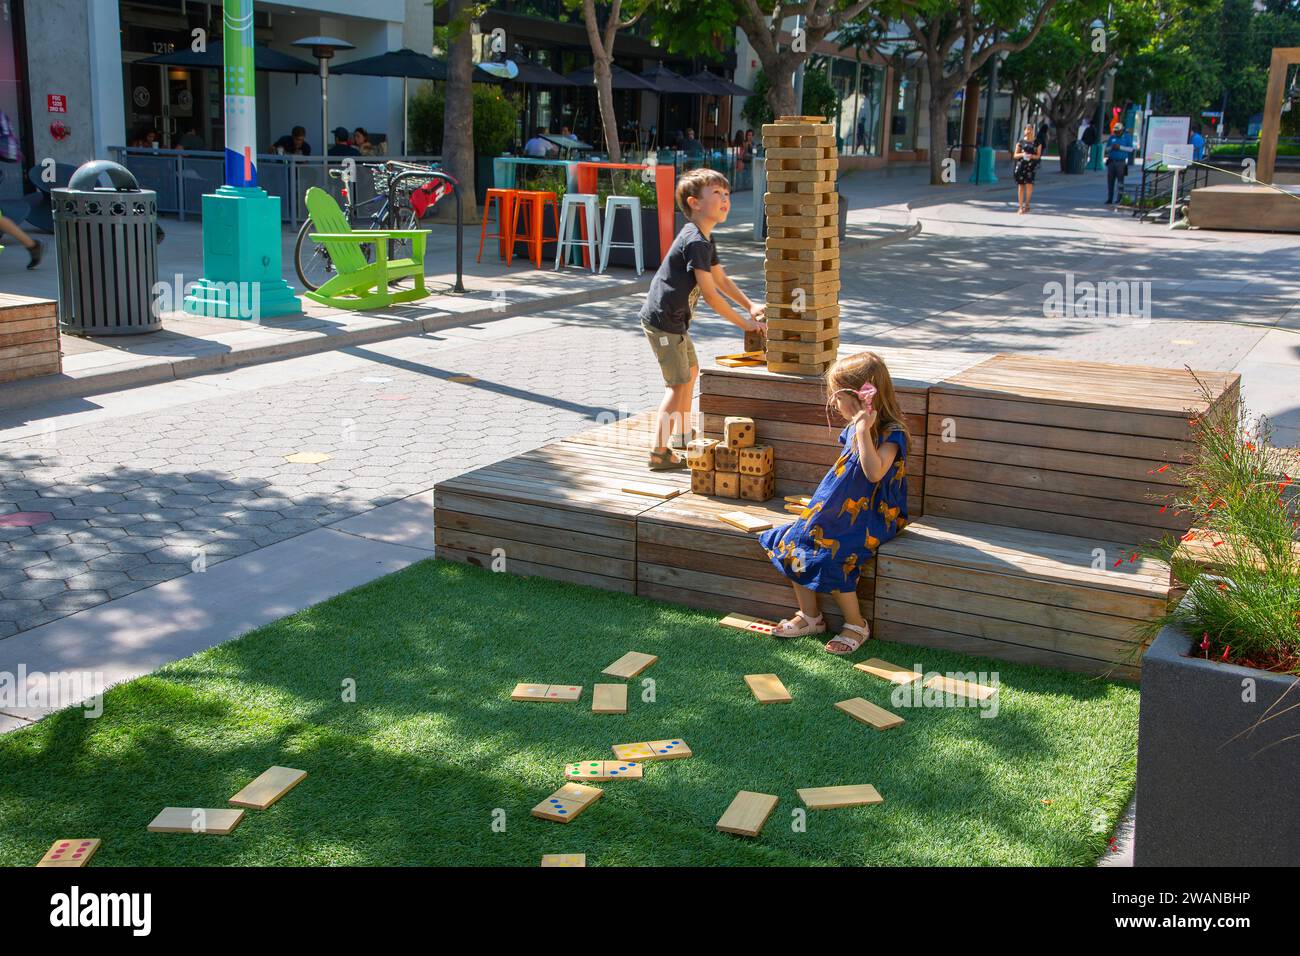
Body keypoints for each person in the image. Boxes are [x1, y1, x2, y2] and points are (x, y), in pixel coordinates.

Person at [760, 351, 910, 654]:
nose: (833, 404)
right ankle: (810, 616)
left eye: (835, 398)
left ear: (856, 398)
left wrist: (863, 431)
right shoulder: (855, 427)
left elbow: (873, 473)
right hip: (837, 509)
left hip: (874, 516)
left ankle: (856, 623)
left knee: (834, 553)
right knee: (793, 541)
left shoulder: (892, 434)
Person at [639, 169, 764, 471]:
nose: (725, 200)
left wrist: (750, 305)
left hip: (675, 321)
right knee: (678, 384)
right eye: (717, 194)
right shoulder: (695, 241)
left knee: (691, 371)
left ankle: (682, 436)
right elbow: (710, 294)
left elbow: (719, 278)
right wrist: (746, 325)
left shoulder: (705, 238)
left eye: (727, 194)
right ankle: (658, 452)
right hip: (663, 321)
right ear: (694, 202)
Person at [1013, 124, 1042, 214]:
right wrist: (1022, 154)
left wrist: (1031, 156)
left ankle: (1027, 204)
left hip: (1031, 167)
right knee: (1021, 185)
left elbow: (1038, 156)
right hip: (1021, 166)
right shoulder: (1020, 142)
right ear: (1024, 131)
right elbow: (1015, 155)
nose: (1028, 131)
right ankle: (1020, 206)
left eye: (1030, 130)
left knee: (1029, 185)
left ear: (1033, 131)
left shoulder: (1037, 142)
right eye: (1027, 130)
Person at [1104, 122, 1134, 204]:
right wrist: (1111, 147)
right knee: (1110, 181)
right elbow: (1106, 149)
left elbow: (1131, 149)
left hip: (1121, 162)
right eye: (1115, 131)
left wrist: (1120, 147)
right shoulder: (1112, 137)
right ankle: (1109, 198)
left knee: (1120, 181)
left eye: (1118, 131)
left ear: (1121, 130)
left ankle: (1119, 198)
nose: (1116, 133)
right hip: (1111, 161)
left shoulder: (1127, 137)